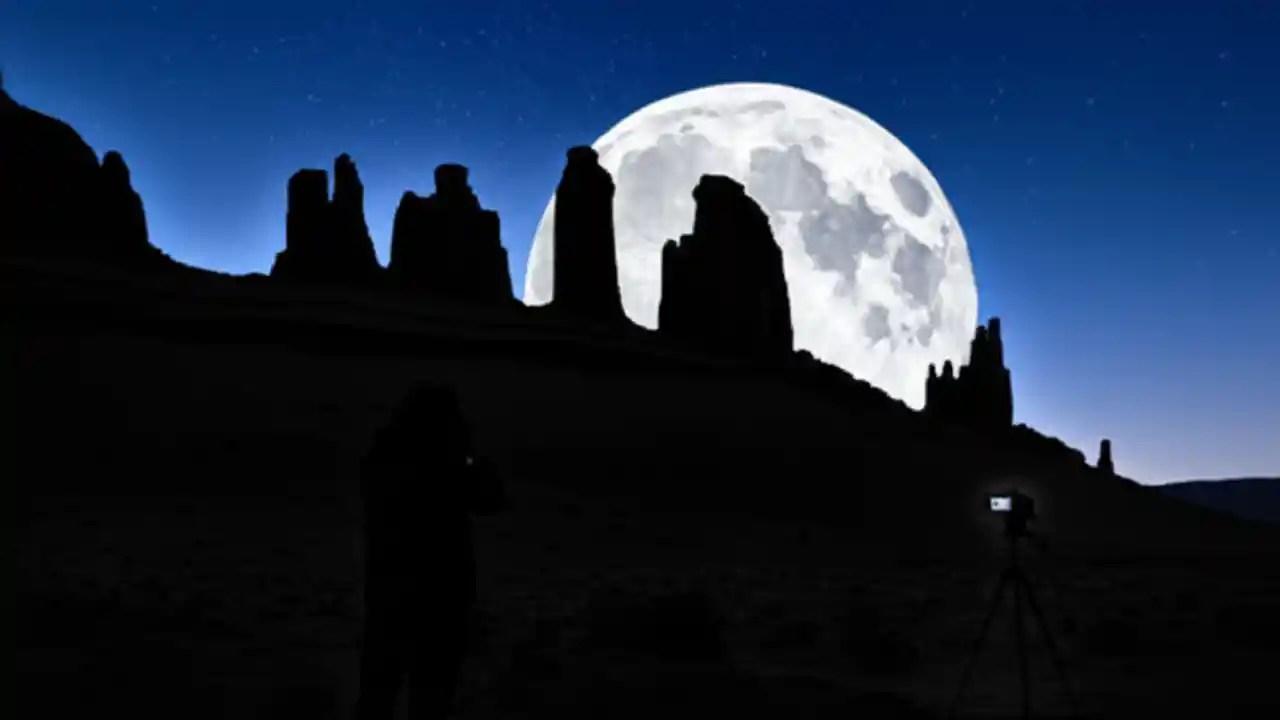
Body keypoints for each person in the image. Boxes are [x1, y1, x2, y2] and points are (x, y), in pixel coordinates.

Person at [355, 383, 505, 720]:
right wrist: (471, 462)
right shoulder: (446, 465)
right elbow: (492, 498)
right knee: (429, 692)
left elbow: (490, 499)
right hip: (439, 592)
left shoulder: (385, 457)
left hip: (392, 589)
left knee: (381, 688)